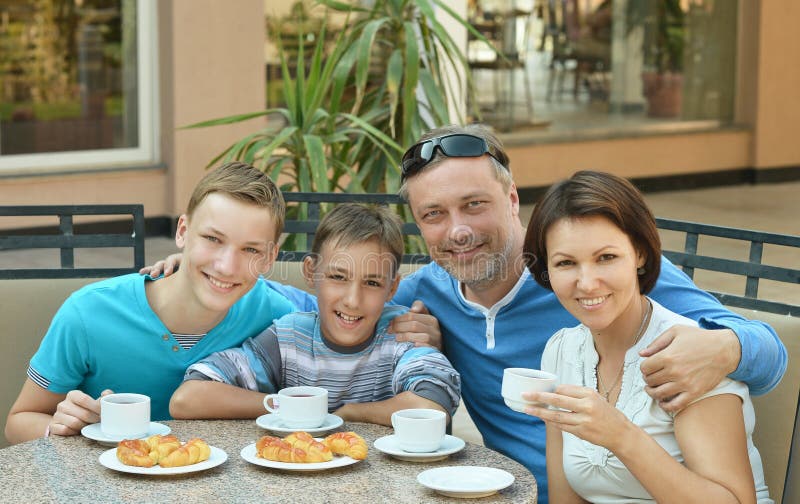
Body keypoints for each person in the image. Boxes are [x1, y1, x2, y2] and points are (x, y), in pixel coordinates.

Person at [141, 124, 786, 503]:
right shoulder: (428, 290)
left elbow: (766, 347)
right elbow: (334, 302)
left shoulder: (592, 278)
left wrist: (726, 348)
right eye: (434, 215)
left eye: (474, 205)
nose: (457, 231)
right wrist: (216, 276)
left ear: (511, 199)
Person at [521, 170, 771, 503]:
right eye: (566, 263)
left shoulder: (688, 356)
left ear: (639, 253)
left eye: (606, 257)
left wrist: (621, 436)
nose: (587, 282)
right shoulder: (560, 350)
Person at [4, 161, 295, 444]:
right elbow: (18, 422)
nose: (227, 266)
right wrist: (64, 430)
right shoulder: (88, 312)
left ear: (269, 257)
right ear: (182, 231)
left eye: (250, 249)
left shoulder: (280, 318)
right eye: (212, 239)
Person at [169, 203, 460, 425]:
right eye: (337, 277)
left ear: (392, 287)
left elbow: (432, 406)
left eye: (372, 283)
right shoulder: (288, 339)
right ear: (311, 272)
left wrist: (348, 414)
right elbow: (187, 399)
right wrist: (295, 407)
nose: (352, 300)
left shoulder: (401, 335)